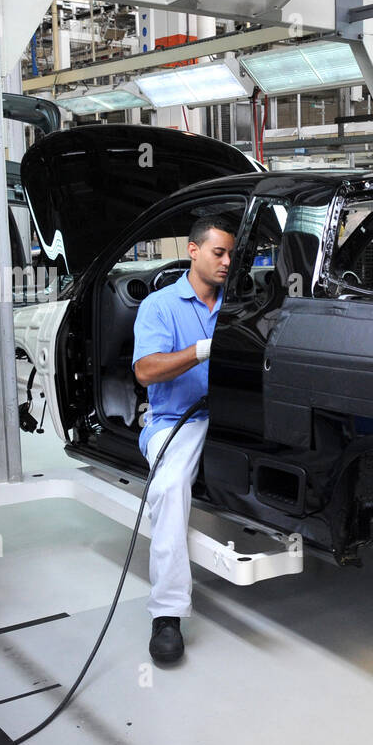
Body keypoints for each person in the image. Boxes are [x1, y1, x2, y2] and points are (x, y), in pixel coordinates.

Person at [131, 214, 237, 664]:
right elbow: (145, 370)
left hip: (236, 419)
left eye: (232, 254)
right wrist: (200, 350)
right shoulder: (160, 305)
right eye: (219, 253)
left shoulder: (236, 304)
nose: (228, 262)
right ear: (193, 251)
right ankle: (167, 615)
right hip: (178, 421)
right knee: (170, 486)